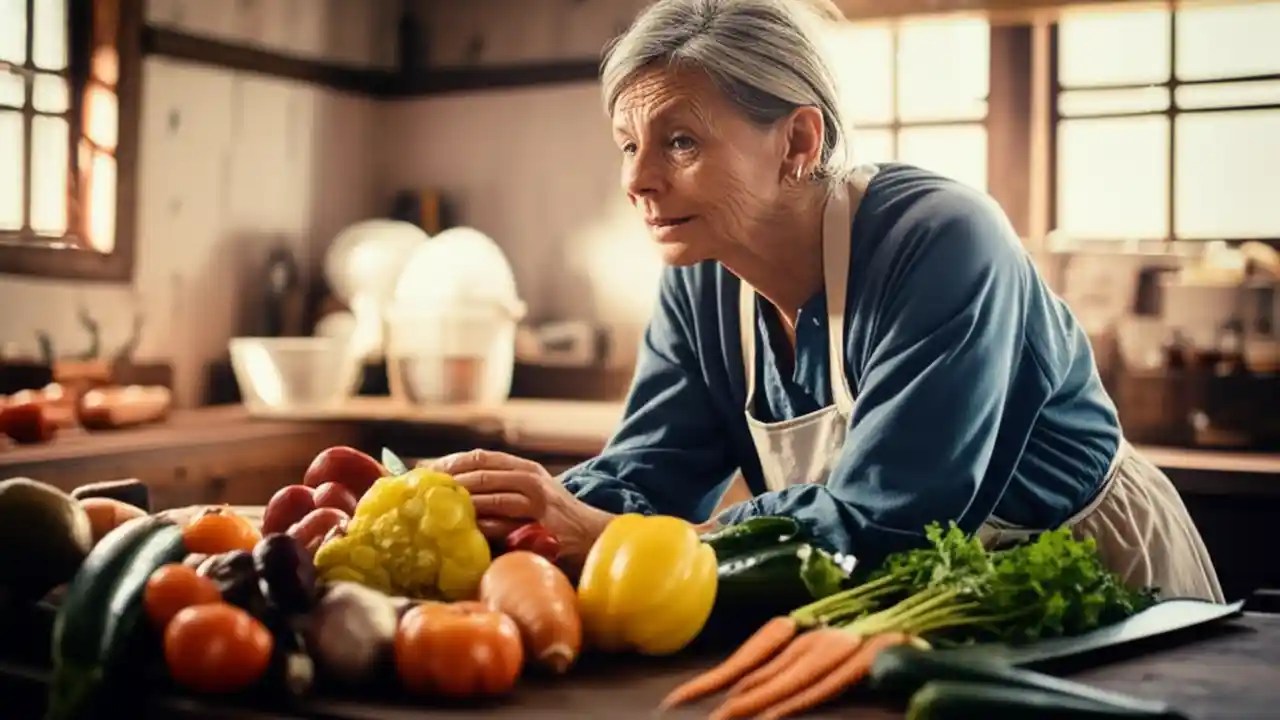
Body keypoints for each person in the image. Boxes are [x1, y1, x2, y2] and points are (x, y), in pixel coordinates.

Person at [429, 0, 1224, 602]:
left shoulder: (943, 241)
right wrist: (508, 512)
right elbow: (651, 473)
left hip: (1088, 578)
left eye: (680, 142)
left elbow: (885, 524)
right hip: (915, 602)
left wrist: (609, 536)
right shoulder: (699, 274)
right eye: (628, 144)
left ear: (799, 144)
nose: (637, 180)